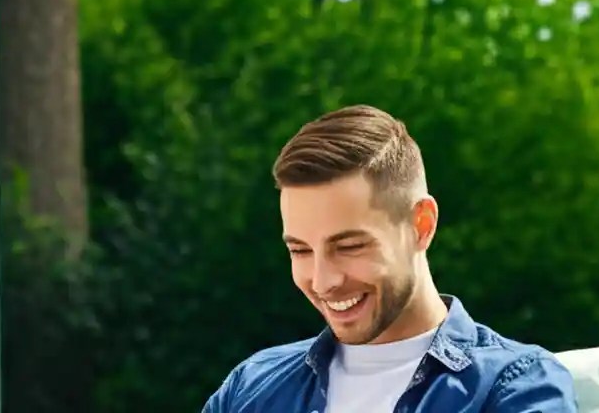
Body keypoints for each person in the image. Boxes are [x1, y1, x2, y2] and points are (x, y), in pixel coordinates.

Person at [203, 104, 577, 412]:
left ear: (421, 225)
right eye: (300, 250)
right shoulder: (252, 386)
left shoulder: (516, 388)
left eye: (349, 246)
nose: (322, 280)